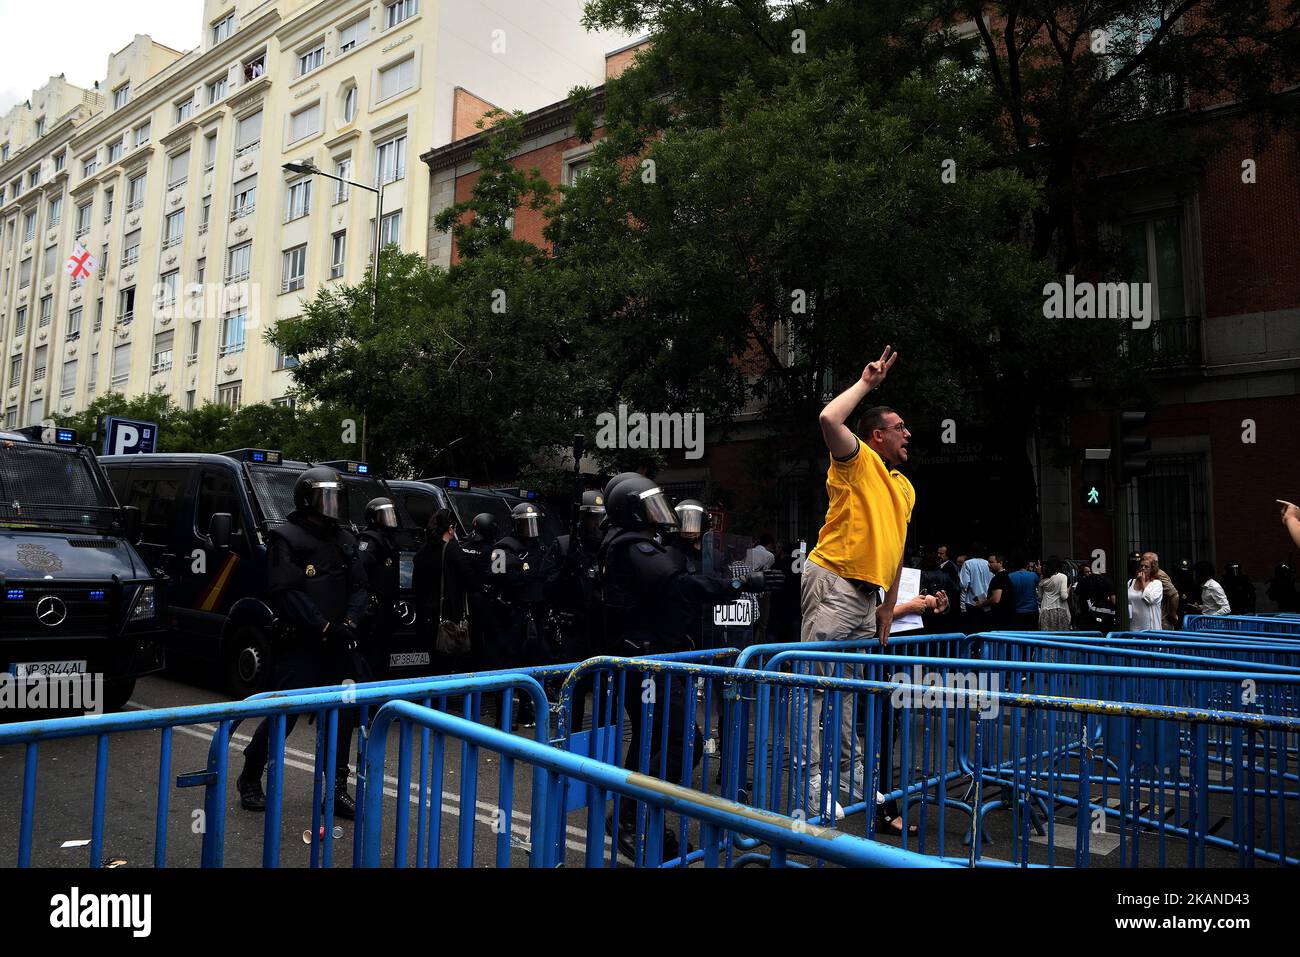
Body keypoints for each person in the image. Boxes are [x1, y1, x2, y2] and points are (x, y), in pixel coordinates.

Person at [601, 474, 783, 860]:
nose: (658, 513)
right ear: (631, 512)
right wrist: (740, 585)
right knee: (683, 743)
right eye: (648, 506)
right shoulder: (633, 547)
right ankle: (632, 814)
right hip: (649, 663)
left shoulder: (643, 545)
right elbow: (679, 586)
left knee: (653, 740)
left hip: (651, 660)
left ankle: (636, 817)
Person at [798, 345, 916, 833]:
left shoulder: (904, 486)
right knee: (814, 690)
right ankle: (810, 785)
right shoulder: (857, 459)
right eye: (900, 427)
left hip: (868, 597)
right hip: (833, 581)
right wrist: (867, 382)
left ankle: (848, 776)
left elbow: (897, 551)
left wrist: (888, 609)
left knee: (847, 689)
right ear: (877, 435)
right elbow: (828, 416)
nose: (908, 433)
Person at [237, 467, 369, 819]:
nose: (332, 505)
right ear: (306, 500)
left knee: (343, 717)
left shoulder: (345, 539)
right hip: (302, 645)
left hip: (339, 644)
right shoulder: (286, 538)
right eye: (325, 497)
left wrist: (350, 622)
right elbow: (286, 592)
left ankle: (337, 788)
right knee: (285, 715)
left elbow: (360, 587)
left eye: (337, 497)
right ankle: (251, 774)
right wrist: (323, 626)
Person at [545, 490, 606, 730]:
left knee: (604, 693)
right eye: (592, 518)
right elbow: (547, 588)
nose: (597, 524)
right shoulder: (563, 545)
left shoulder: (606, 545)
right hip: (572, 630)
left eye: (600, 519)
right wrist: (566, 571)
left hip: (600, 630)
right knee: (573, 692)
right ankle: (569, 743)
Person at [492, 502, 551, 728]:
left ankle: (526, 711)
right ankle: (503, 715)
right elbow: (496, 574)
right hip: (511, 615)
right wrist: (520, 568)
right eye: (526, 524)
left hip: (535, 614)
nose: (531, 529)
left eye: (533, 523)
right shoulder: (504, 547)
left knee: (534, 662)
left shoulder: (541, 547)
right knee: (508, 663)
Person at [411, 508, 466, 674]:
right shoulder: (451, 550)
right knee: (445, 662)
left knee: (428, 664)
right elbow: (467, 577)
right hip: (445, 616)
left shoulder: (422, 551)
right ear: (450, 529)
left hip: (424, 614)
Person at [356, 497, 401, 678]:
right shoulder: (369, 540)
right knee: (371, 657)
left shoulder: (388, 541)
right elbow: (361, 569)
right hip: (374, 610)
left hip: (387, 608)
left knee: (383, 656)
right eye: (385, 515)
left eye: (391, 514)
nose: (390, 519)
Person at [958, 547, 993, 634]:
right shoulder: (989, 563)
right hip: (987, 601)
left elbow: (964, 584)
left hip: (972, 602)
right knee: (985, 630)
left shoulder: (967, 563)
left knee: (973, 631)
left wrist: (962, 606)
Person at [1142, 551, 1180, 629]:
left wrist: (1172, 614)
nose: (1144, 563)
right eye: (1143, 559)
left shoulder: (1159, 575)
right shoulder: (1142, 574)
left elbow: (1174, 594)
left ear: (1154, 564)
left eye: (1147, 560)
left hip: (1162, 619)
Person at [1074, 564, 1117, 632]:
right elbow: (1113, 600)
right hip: (1105, 617)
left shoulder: (1083, 581)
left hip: (1086, 616)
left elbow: (1076, 596)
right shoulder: (1108, 581)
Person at [1128, 553, 1164, 631]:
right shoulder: (1130, 582)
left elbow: (1151, 599)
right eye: (1141, 566)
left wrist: (1143, 582)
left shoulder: (1156, 584)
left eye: (1146, 567)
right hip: (1133, 626)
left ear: (1152, 569)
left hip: (1150, 628)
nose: (1143, 568)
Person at [1036, 556, 1070, 632]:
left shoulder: (1043, 580)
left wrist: (1040, 574)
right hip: (1060, 610)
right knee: (1061, 638)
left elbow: (1040, 597)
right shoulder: (1063, 577)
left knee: (1047, 639)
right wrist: (1068, 590)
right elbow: (1064, 596)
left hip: (1045, 611)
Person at [1006, 556, 1040, 631]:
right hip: (1032, 610)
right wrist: (1039, 572)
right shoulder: (1033, 575)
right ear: (1027, 565)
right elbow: (1040, 587)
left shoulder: (1010, 576)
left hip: (1016, 611)